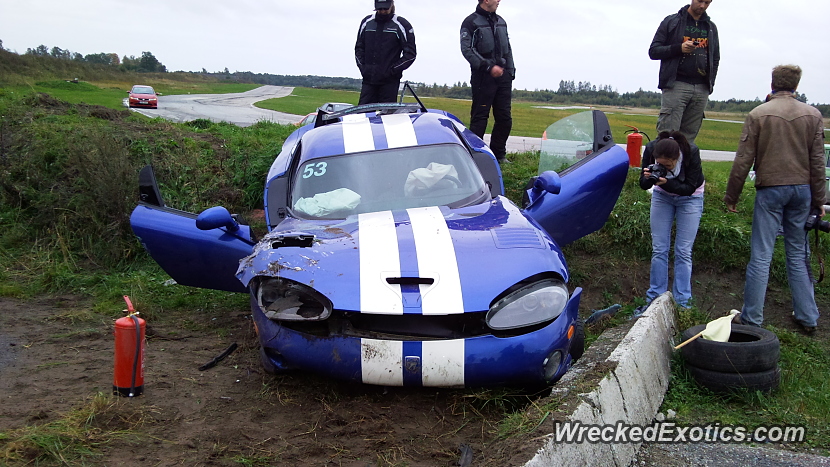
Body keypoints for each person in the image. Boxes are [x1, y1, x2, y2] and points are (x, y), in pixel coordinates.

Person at [724, 65, 825, 334]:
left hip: (770, 189)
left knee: (761, 255)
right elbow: (818, 162)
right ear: (796, 85)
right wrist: (820, 201)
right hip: (802, 191)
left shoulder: (758, 114)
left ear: (772, 83)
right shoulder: (813, 115)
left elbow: (743, 159)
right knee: (797, 254)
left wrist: (731, 195)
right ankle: (808, 317)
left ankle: (752, 318)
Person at [638, 131, 705, 311]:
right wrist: (647, 177)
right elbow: (643, 185)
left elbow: (689, 188)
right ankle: (654, 298)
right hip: (662, 197)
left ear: (677, 158)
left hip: (691, 199)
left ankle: (683, 302)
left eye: (668, 166)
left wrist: (665, 182)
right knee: (659, 248)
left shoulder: (691, 152)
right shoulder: (652, 148)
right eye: (660, 165)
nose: (664, 169)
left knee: (683, 251)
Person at [648, 0, 720, 145]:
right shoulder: (672, 21)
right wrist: (679, 48)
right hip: (676, 84)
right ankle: (660, 167)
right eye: (700, 1)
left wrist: (710, 83)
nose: (702, 6)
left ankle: (683, 168)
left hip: (701, 88)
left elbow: (715, 57)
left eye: (707, 3)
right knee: (667, 136)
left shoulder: (711, 27)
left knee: (688, 141)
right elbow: (654, 51)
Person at [460, 0, 514, 163]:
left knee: (504, 117)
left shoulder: (501, 22)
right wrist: (488, 67)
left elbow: (508, 48)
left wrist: (511, 71)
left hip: (503, 76)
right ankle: (475, 155)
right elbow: (467, 50)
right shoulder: (470, 22)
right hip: (483, 77)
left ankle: (499, 154)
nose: (499, 1)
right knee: (480, 118)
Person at [355, 0, 416, 105]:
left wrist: (392, 71)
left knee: (388, 118)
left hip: (389, 83)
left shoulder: (402, 25)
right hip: (369, 81)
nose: (382, 11)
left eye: (385, 8)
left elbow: (410, 54)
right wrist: (364, 69)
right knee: (363, 117)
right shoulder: (367, 22)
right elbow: (359, 48)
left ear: (391, 5)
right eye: (379, 8)